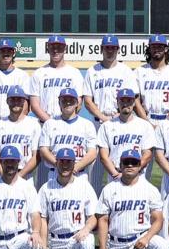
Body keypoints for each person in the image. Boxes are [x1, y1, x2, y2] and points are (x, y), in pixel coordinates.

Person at [97, 149, 169, 249]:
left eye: (134, 162)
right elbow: (102, 220)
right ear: (120, 165)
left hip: (143, 238)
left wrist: (146, 238)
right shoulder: (109, 189)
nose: (130, 165)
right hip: (119, 243)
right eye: (126, 162)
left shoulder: (149, 189)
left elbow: (158, 220)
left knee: (164, 247)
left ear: (140, 166)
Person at [39, 148, 100, 249]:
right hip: (58, 240)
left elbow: (94, 216)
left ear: (74, 164)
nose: (65, 165)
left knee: (88, 243)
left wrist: (86, 229)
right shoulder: (46, 188)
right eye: (62, 162)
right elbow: (43, 220)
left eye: (69, 162)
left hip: (78, 235)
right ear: (56, 163)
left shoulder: (84, 186)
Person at [83, 35, 139, 189]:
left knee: (116, 165)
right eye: (107, 47)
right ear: (101, 49)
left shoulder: (125, 71)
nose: (110, 51)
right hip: (98, 123)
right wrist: (103, 117)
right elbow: (87, 100)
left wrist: (116, 116)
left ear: (118, 49)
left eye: (113, 48)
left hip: (119, 122)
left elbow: (133, 97)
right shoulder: (92, 71)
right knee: (94, 171)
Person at [38, 87, 98, 186]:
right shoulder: (50, 123)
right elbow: (44, 150)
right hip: (55, 172)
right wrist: (59, 166)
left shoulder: (87, 124)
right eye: (64, 100)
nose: (68, 103)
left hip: (79, 173)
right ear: (59, 102)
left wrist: (75, 167)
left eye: (71, 100)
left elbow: (92, 153)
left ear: (77, 103)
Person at [96, 88, 157, 183]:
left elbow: (147, 154)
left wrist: (134, 171)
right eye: (122, 101)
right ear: (117, 102)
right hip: (115, 175)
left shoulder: (145, 126)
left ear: (133, 103)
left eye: (129, 101)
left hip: (138, 176)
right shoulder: (106, 126)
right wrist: (116, 174)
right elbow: (104, 156)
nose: (125, 104)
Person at [29, 35, 87, 122]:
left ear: (65, 49)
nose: (55, 50)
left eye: (59, 47)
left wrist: (64, 120)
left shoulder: (74, 73)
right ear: (48, 49)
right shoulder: (38, 73)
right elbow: (34, 105)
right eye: (52, 47)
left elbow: (78, 102)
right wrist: (50, 122)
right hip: (44, 123)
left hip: (66, 123)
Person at [0, 87, 41, 181]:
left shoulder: (34, 125)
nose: (16, 102)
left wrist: (20, 176)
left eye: (19, 99)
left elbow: (36, 156)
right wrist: (4, 176)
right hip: (3, 175)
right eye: (12, 99)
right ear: (7, 101)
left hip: (25, 175)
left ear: (24, 102)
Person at [0, 38, 33, 126]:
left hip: (17, 123)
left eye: (9, 51)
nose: (6, 53)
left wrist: (17, 122)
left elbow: (26, 104)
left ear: (13, 53)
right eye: (3, 51)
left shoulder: (23, 75)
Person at [136, 34, 169, 124]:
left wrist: (167, 122)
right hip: (147, 120)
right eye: (154, 46)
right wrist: (147, 123)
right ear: (149, 49)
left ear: (166, 49)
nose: (157, 49)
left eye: (160, 47)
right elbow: (136, 101)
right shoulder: (139, 72)